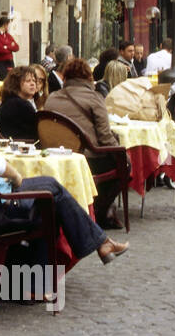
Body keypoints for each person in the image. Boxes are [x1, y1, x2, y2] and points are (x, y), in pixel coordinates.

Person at [0, 77, 128, 267]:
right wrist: (16, 177)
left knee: (51, 194)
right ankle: (95, 246)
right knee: (52, 192)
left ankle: (100, 244)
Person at [40, 58, 123, 230]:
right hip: (87, 158)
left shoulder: (52, 98)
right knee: (124, 166)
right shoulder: (94, 98)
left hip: (55, 156)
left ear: (66, 77)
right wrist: (122, 153)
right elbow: (105, 136)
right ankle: (100, 210)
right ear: (88, 77)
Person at [0, 66, 40, 141]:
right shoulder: (21, 105)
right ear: (16, 83)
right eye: (28, 81)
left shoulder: (9, 101)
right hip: (21, 147)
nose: (32, 84)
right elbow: (37, 133)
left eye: (34, 81)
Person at [0, 16, 20, 80]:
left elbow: (16, 47)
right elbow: (0, 50)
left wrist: (6, 46)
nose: (9, 27)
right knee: (2, 81)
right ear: (5, 25)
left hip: (10, 62)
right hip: (0, 63)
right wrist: (10, 46)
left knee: (11, 81)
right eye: (8, 25)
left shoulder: (8, 35)